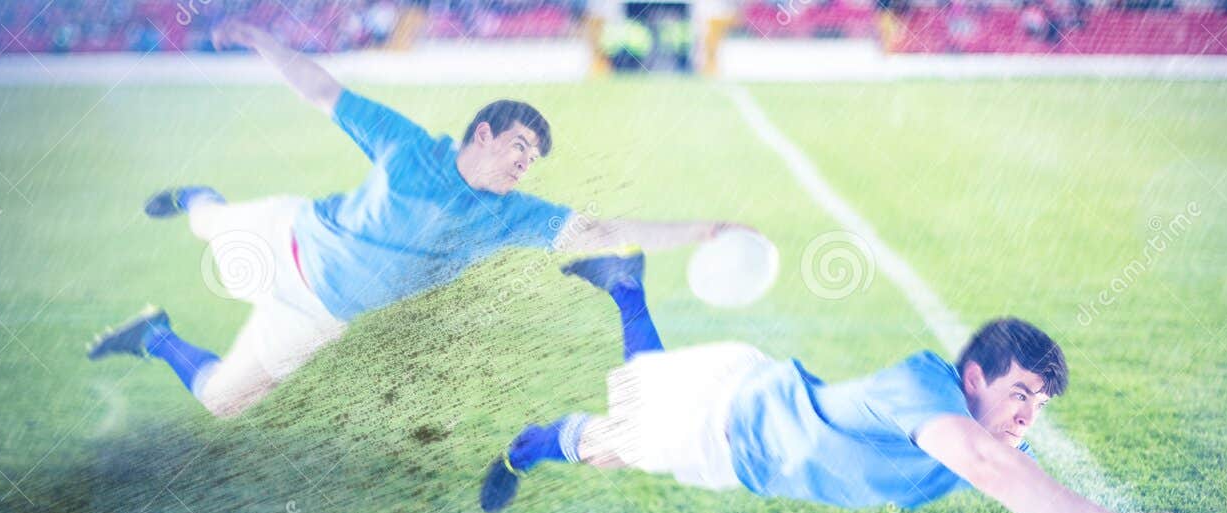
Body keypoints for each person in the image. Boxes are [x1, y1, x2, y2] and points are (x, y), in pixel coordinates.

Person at [87, 20, 742, 418]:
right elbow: (321, 91)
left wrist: (701, 230)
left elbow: (602, 231)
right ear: (482, 134)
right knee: (208, 223)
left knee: (221, 401)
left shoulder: (512, 216)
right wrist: (260, 39)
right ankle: (196, 194)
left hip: (317, 312)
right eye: (519, 146)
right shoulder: (406, 146)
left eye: (534, 158)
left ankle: (154, 336)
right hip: (284, 239)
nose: (526, 163)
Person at [480, 253, 1197, 513]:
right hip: (725, 410)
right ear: (974, 377)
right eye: (1020, 393)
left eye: (1038, 405)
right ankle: (534, 438)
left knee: (631, 424)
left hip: (741, 451)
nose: (1027, 416)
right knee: (619, 439)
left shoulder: (989, 445)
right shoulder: (929, 387)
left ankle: (624, 292)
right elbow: (995, 469)